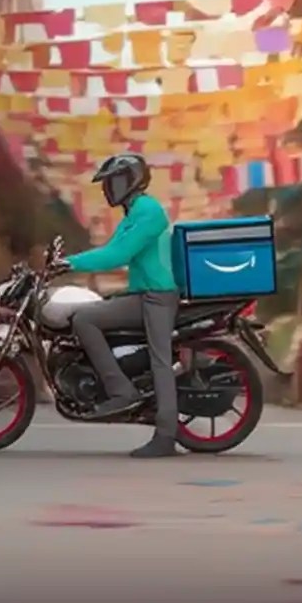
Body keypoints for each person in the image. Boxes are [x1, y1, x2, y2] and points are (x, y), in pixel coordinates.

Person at [50, 153, 180, 458]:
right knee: (85, 318)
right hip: (142, 294)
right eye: (108, 183)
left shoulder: (148, 211)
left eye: (114, 181)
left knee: (160, 360)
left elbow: (116, 256)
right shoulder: (134, 211)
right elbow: (112, 250)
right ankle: (120, 387)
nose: (109, 188)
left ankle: (164, 433)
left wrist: (68, 263)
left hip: (157, 297)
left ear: (132, 180)